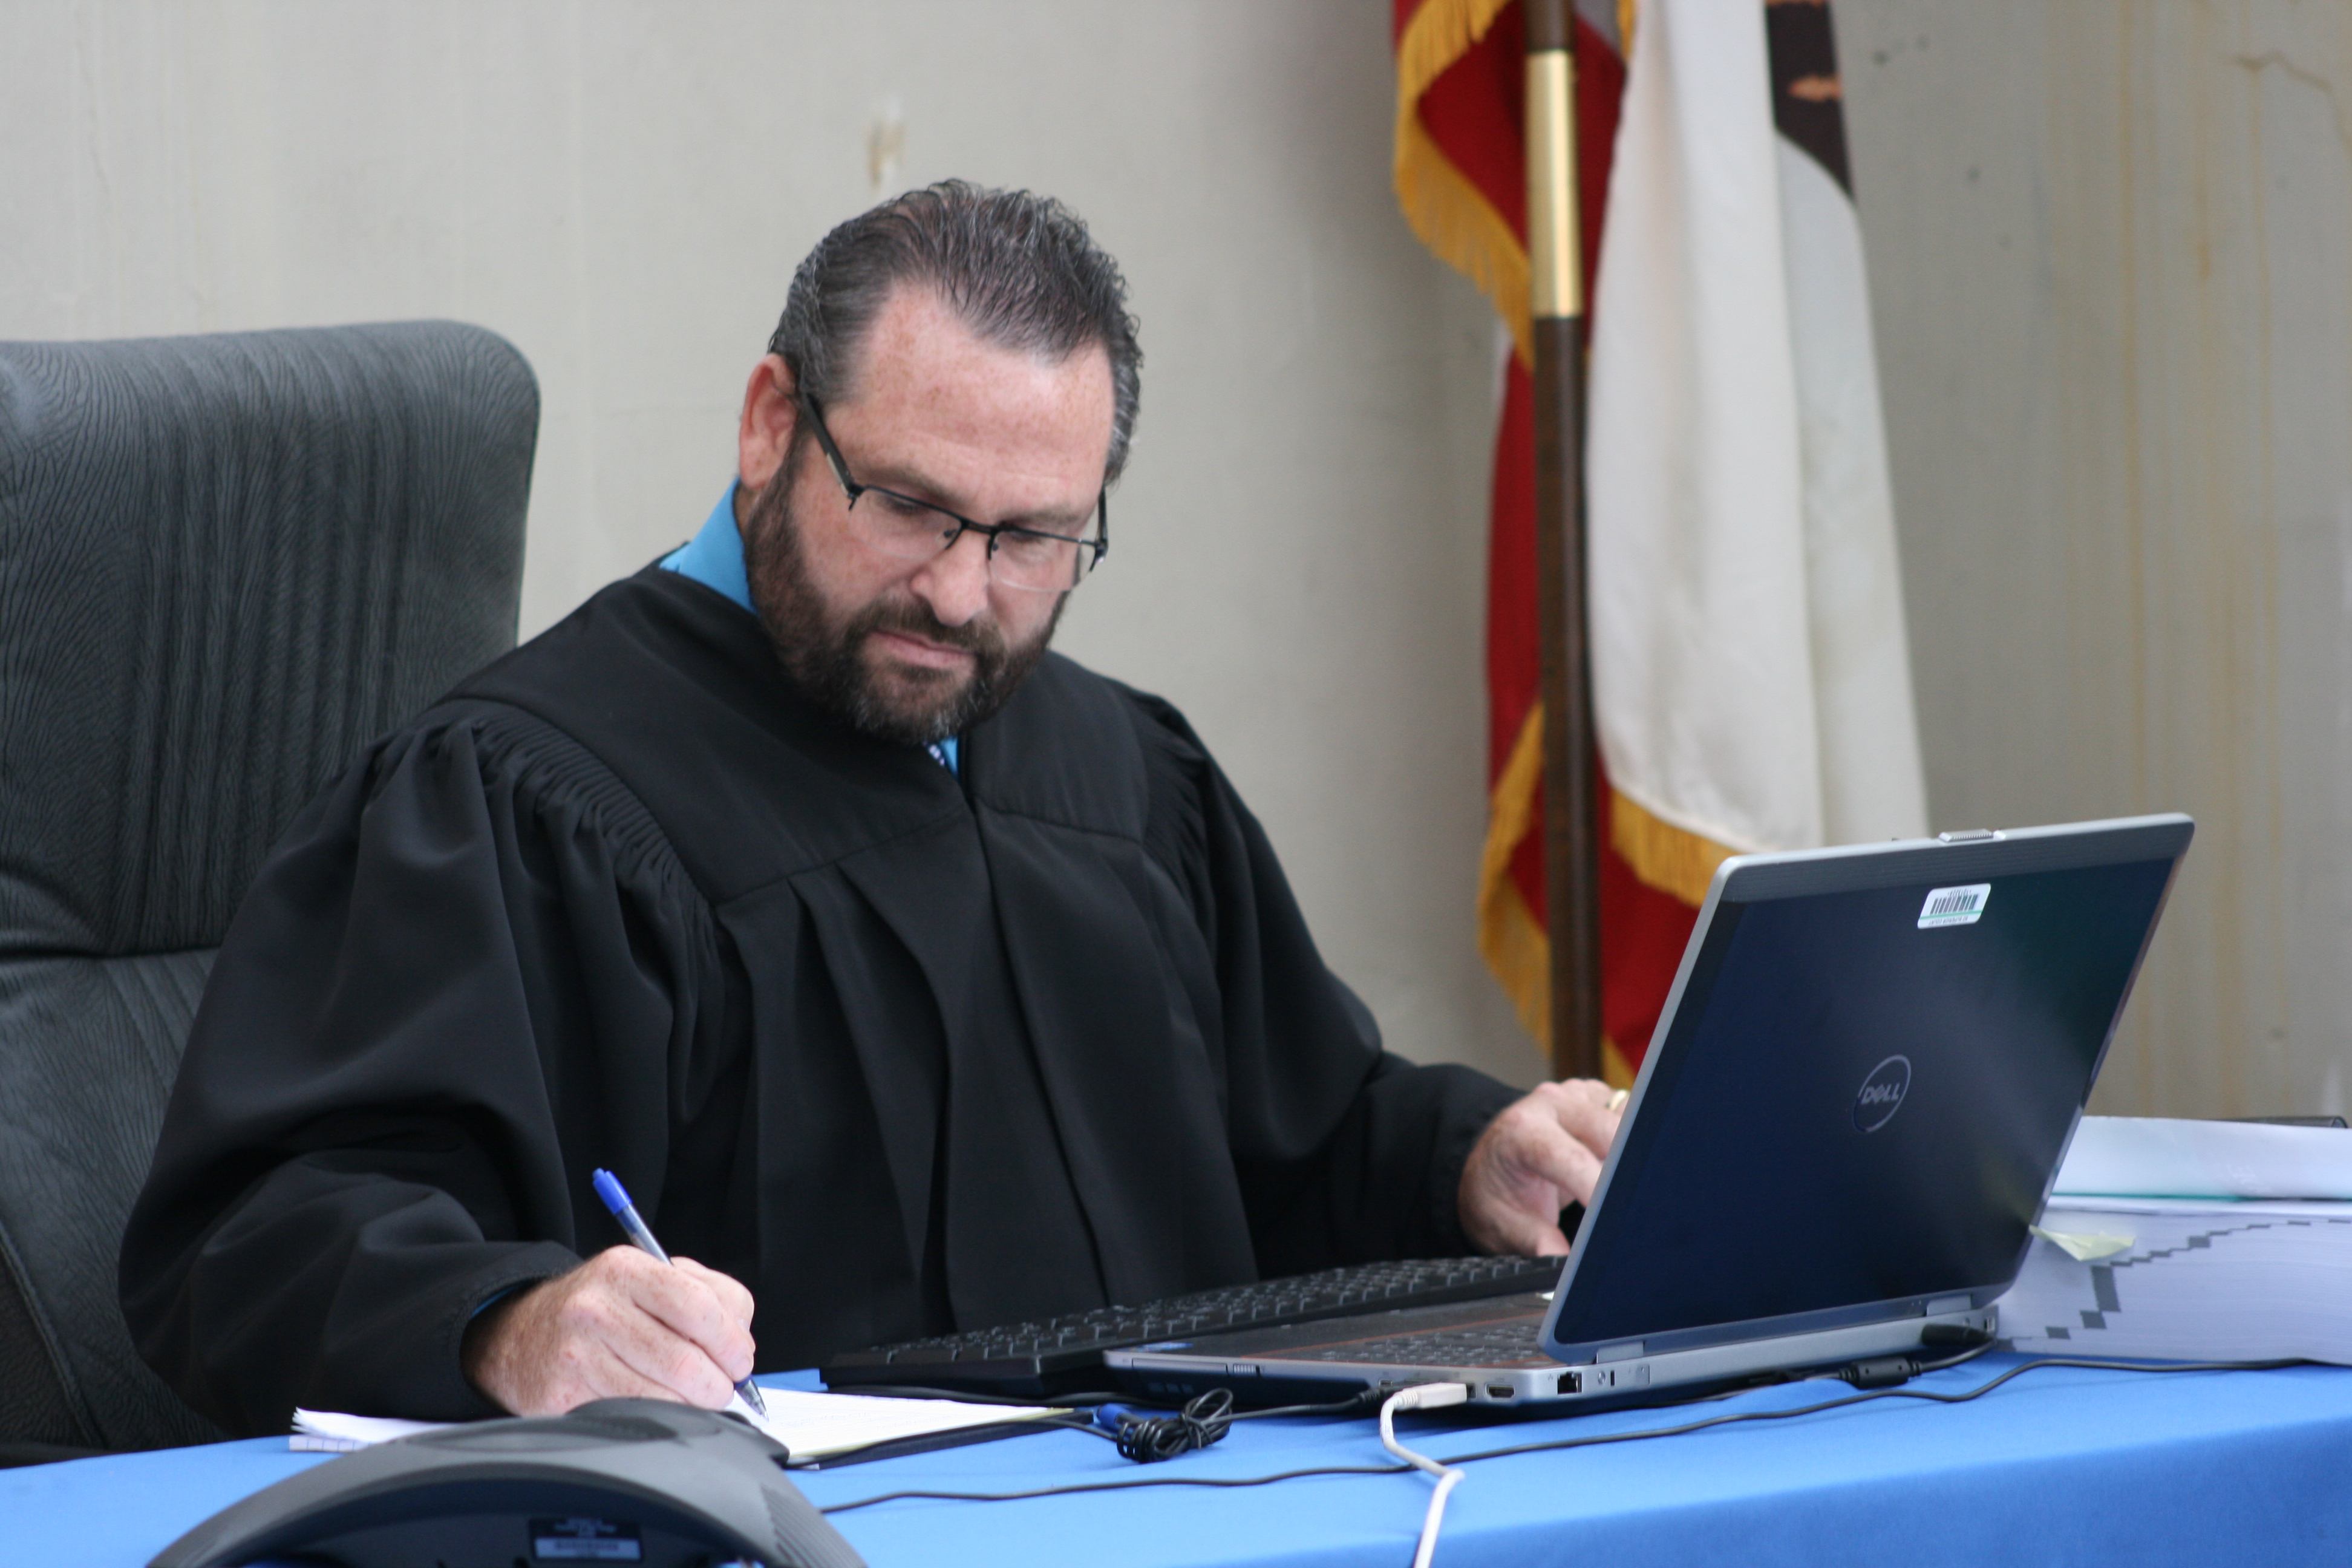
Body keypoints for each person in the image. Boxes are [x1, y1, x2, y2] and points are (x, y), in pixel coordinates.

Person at [120, 182, 1624, 1438]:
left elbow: (1299, 1141)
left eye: (1036, 535)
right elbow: (255, 1246)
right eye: (909, 504)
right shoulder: (523, 799)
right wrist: (510, 1323)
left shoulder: (1124, 773)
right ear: (773, 422)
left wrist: (1465, 1157)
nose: (962, 598)